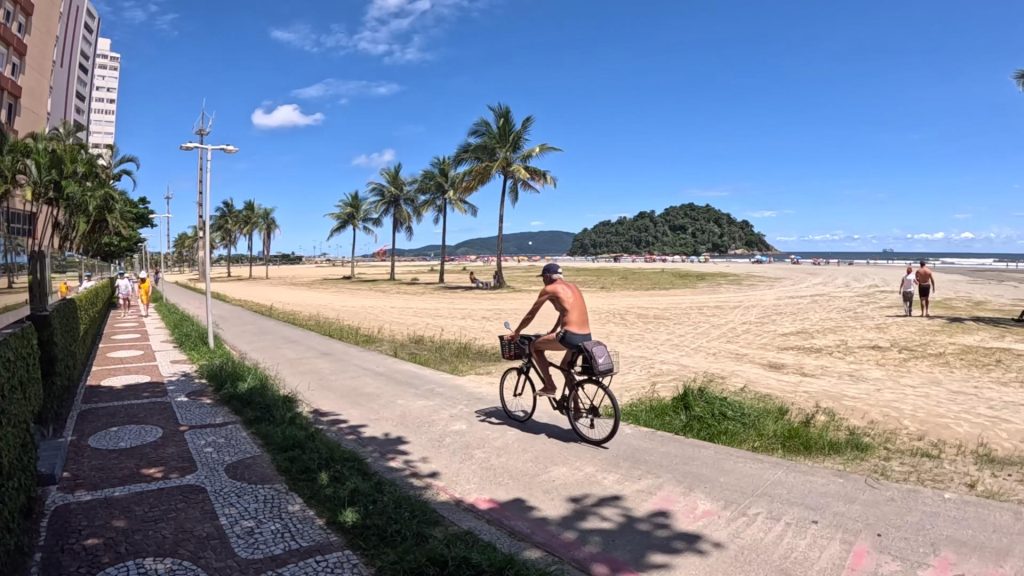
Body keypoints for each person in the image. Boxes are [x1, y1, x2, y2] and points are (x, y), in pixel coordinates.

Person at [508, 263, 592, 396]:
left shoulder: (549, 289)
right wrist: (554, 329)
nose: (543, 281)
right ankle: (576, 408)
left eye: (543, 278)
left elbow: (531, 314)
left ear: (547, 276)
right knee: (565, 367)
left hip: (569, 336)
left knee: (534, 346)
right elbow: (564, 312)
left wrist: (516, 332)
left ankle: (549, 385)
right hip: (587, 337)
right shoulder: (574, 287)